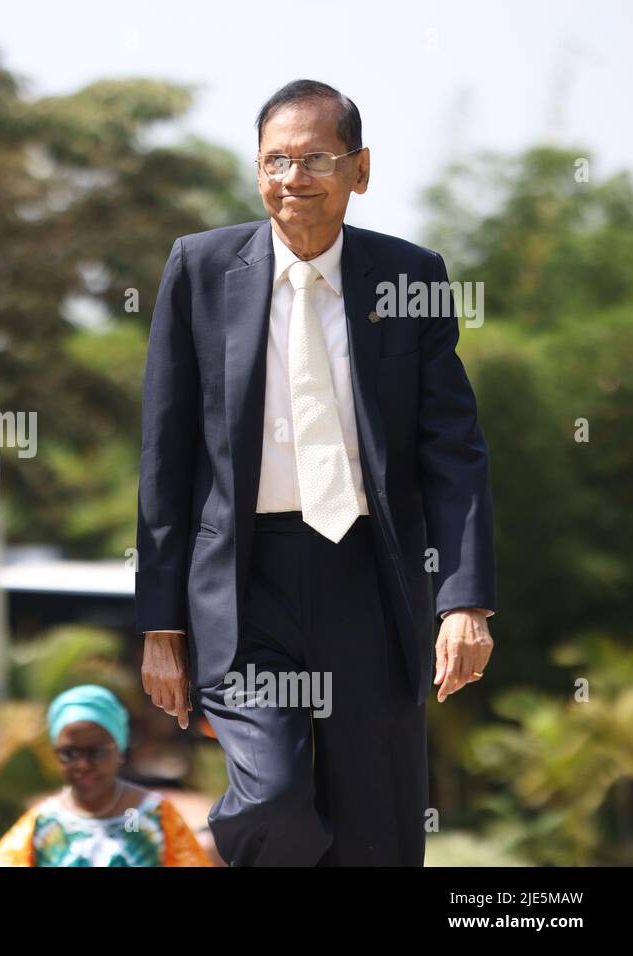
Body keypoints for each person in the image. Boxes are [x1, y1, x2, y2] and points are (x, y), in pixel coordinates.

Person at [135, 80, 496, 865]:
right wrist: (161, 624)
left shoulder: (410, 276)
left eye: (316, 159)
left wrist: (465, 602)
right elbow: (166, 456)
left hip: (371, 583)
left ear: (360, 170)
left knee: (379, 831)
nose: (293, 178)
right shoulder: (198, 270)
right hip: (243, 588)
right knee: (270, 797)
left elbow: (452, 450)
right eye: (275, 160)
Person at [0, 685, 213, 866]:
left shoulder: (157, 817)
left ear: (120, 749)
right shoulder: (39, 825)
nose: (83, 765)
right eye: (69, 753)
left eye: (96, 752)